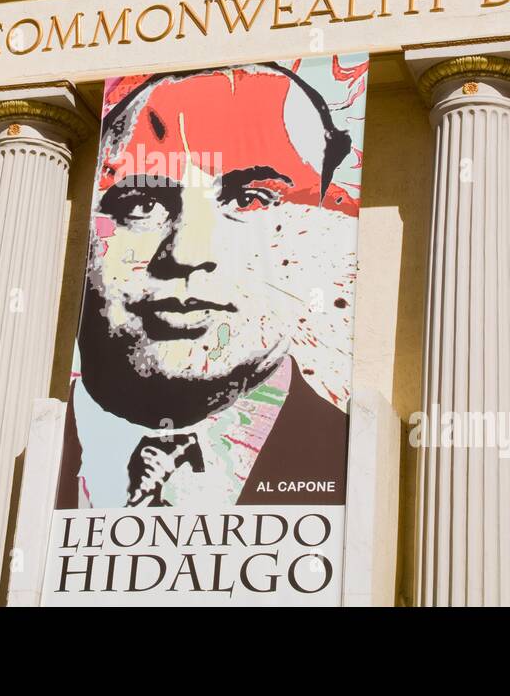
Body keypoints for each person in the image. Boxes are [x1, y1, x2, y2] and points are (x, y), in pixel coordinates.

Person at [56, 60, 363, 509]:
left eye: (250, 198)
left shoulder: (342, 452)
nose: (186, 256)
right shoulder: (15, 457)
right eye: (140, 203)